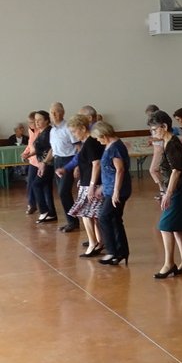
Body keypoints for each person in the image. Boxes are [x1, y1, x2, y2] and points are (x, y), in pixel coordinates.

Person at [149, 110, 182, 278]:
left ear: (165, 127)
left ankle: (169, 263)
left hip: (178, 190)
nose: (153, 133)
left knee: (165, 226)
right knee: (177, 228)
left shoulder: (172, 144)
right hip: (178, 189)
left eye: (155, 129)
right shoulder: (168, 142)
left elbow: (176, 171)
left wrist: (167, 194)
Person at [58, 114, 104, 257]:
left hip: (91, 183)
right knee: (93, 215)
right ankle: (99, 241)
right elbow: (80, 160)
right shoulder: (87, 142)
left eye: (74, 131)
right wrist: (67, 168)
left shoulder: (90, 143)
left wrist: (91, 185)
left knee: (85, 213)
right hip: (88, 182)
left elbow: (96, 164)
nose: (73, 134)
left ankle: (93, 243)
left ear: (83, 128)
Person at [93, 121, 131, 266]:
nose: (97, 140)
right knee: (115, 219)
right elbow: (109, 170)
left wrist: (116, 192)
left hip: (117, 191)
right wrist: (103, 186)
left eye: (98, 137)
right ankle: (121, 252)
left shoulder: (115, 147)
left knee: (104, 217)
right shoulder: (111, 145)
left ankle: (112, 251)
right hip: (110, 189)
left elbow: (119, 170)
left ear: (104, 135)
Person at [49, 102, 79, 232]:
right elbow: (53, 149)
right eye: (52, 112)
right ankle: (71, 221)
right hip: (57, 161)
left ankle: (73, 221)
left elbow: (78, 147)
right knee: (62, 194)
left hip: (69, 161)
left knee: (63, 191)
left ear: (63, 112)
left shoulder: (68, 127)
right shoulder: (52, 130)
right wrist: (45, 163)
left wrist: (77, 166)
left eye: (57, 112)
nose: (54, 115)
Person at [31, 110, 57, 224]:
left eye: (39, 119)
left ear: (47, 120)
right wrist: (29, 154)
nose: (36, 122)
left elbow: (51, 148)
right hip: (42, 163)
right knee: (46, 188)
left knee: (36, 184)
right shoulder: (41, 132)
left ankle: (44, 210)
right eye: (35, 120)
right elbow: (40, 149)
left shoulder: (49, 131)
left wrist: (45, 162)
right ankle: (51, 213)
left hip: (48, 164)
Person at [20, 112, 39, 214]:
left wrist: (29, 154)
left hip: (40, 161)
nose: (30, 124)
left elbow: (37, 148)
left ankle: (45, 206)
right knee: (30, 183)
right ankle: (31, 204)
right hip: (32, 161)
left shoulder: (40, 132)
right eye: (29, 122)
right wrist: (25, 153)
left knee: (39, 185)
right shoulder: (30, 131)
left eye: (32, 122)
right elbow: (30, 144)